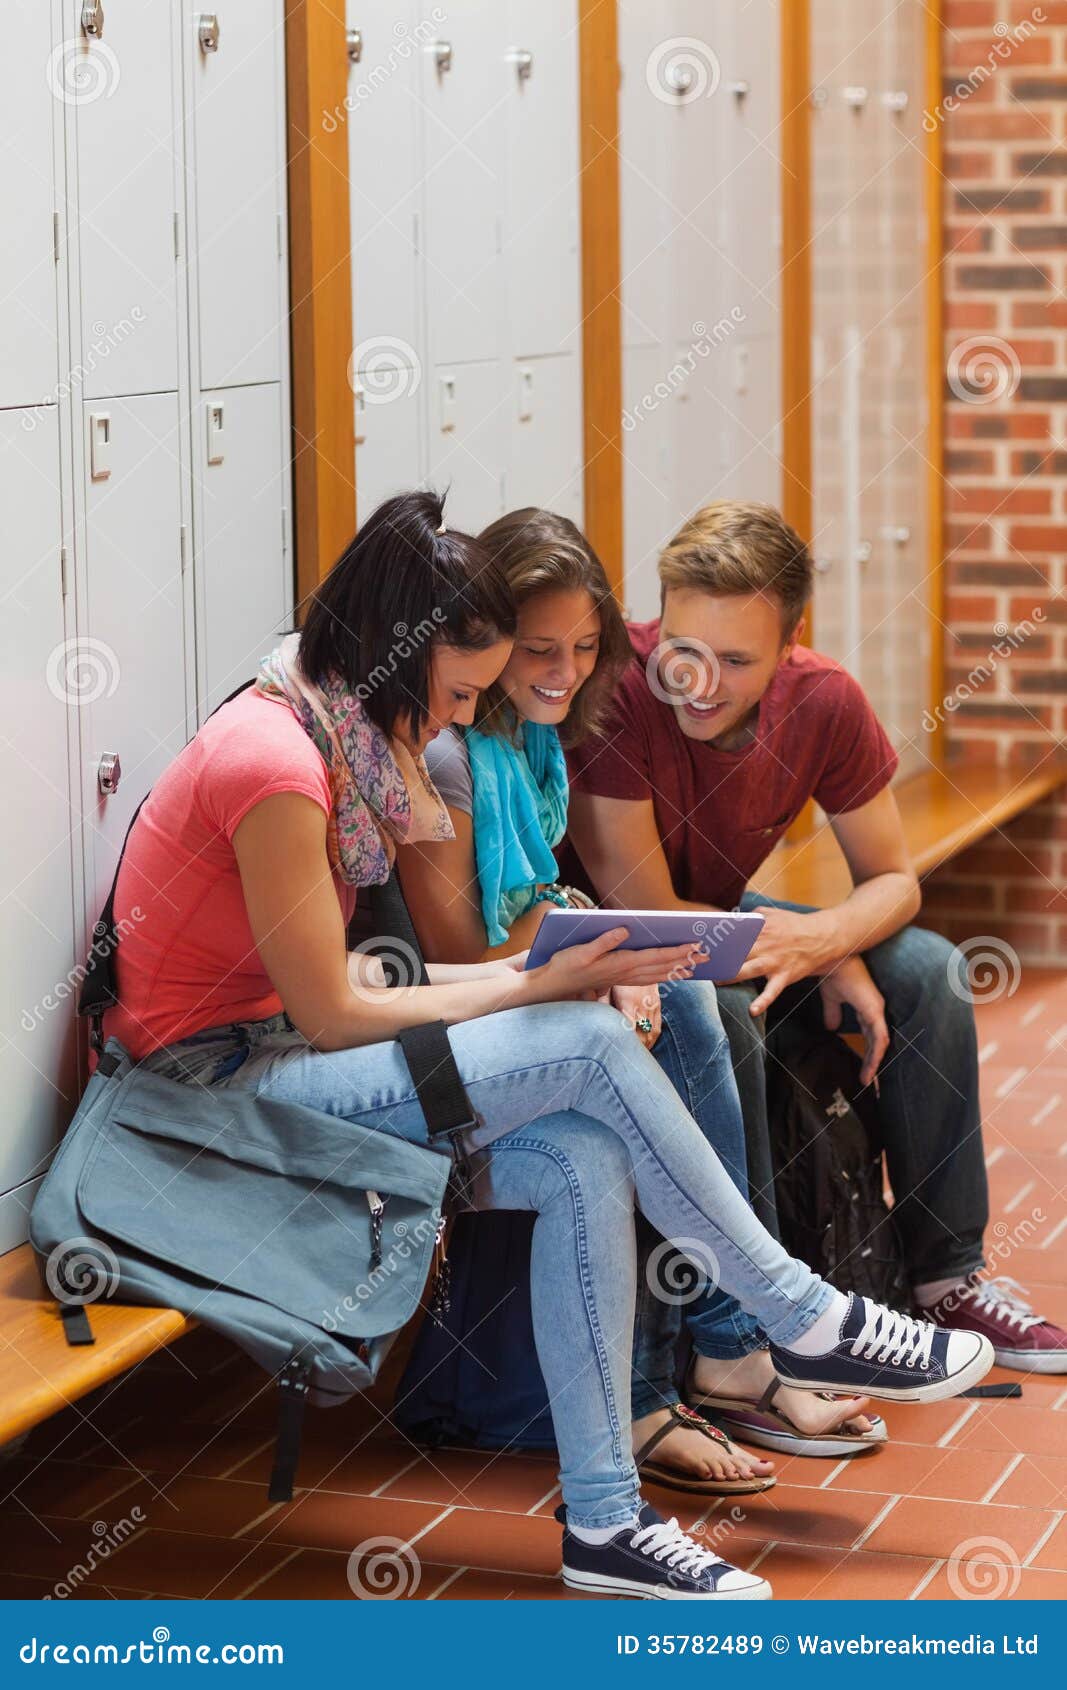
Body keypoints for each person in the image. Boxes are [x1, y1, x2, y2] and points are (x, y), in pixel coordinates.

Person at [106, 491, 993, 1602]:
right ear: (397, 659)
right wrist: (534, 987)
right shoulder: (273, 763)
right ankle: (794, 1314)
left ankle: (606, 1522)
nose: (454, 722)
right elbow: (330, 1016)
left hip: (285, 1057)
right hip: (206, 1102)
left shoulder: (330, 736)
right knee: (579, 1037)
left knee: (583, 1154)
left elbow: (364, 992)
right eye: (455, 695)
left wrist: (542, 978)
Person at [563, 498, 1067, 1452]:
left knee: (929, 973)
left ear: (790, 644)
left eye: (736, 660)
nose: (698, 682)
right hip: (619, 945)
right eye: (683, 648)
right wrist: (815, 945)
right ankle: (761, 1331)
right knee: (725, 1012)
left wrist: (830, 939)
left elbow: (893, 880)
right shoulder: (621, 688)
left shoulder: (823, 699)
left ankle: (945, 1279)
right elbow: (652, 908)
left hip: (725, 921)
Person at [397, 505, 884, 1481]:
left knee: (699, 999)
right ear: (482, 635)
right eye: (538, 648)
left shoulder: (531, 739)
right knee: (690, 1004)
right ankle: (734, 1342)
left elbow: (544, 904)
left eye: (584, 648)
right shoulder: (450, 753)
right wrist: (598, 945)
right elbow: (462, 950)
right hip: (444, 1020)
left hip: (526, 987)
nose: (564, 672)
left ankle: (744, 1338)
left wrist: (822, 940)